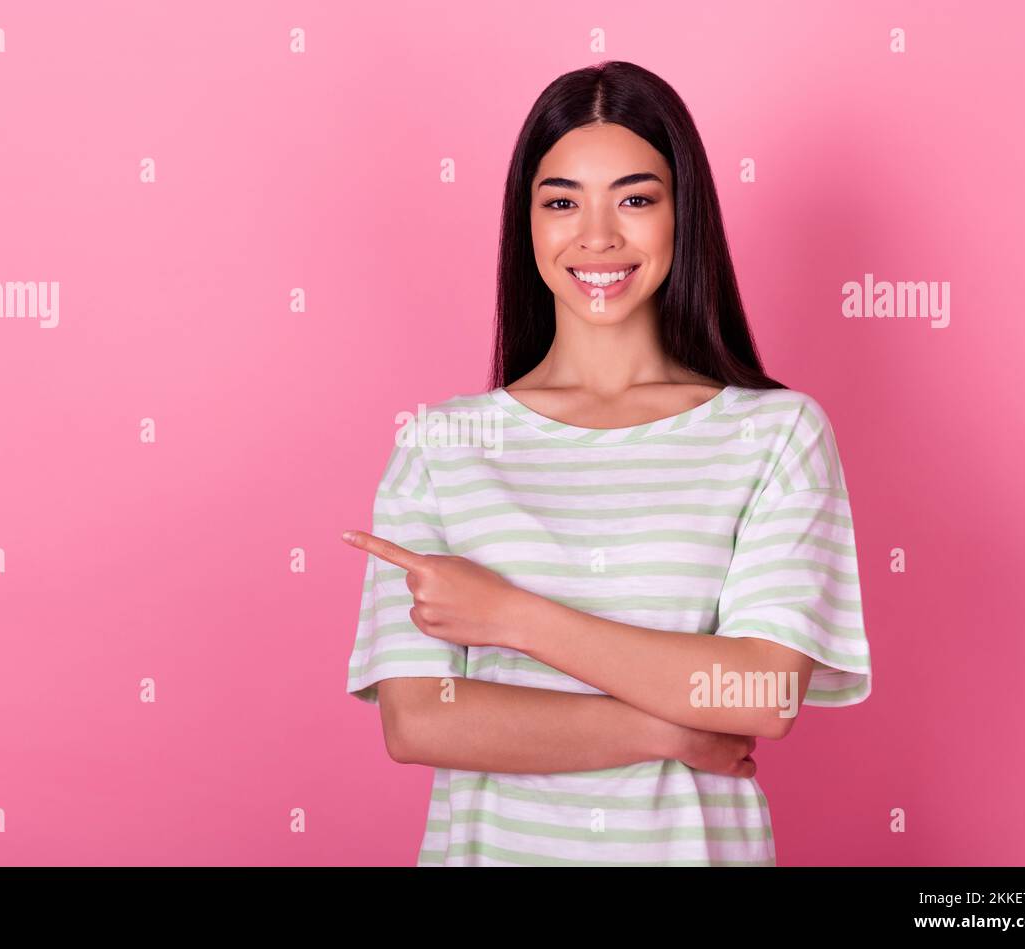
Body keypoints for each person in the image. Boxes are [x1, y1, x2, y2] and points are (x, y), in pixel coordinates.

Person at [343, 60, 872, 866]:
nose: (597, 236)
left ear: (680, 215)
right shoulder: (440, 445)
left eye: (634, 198)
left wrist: (511, 617)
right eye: (561, 202)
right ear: (527, 223)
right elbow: (420, 721)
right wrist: (666, 727)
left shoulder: (776, 433)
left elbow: (762, 694)